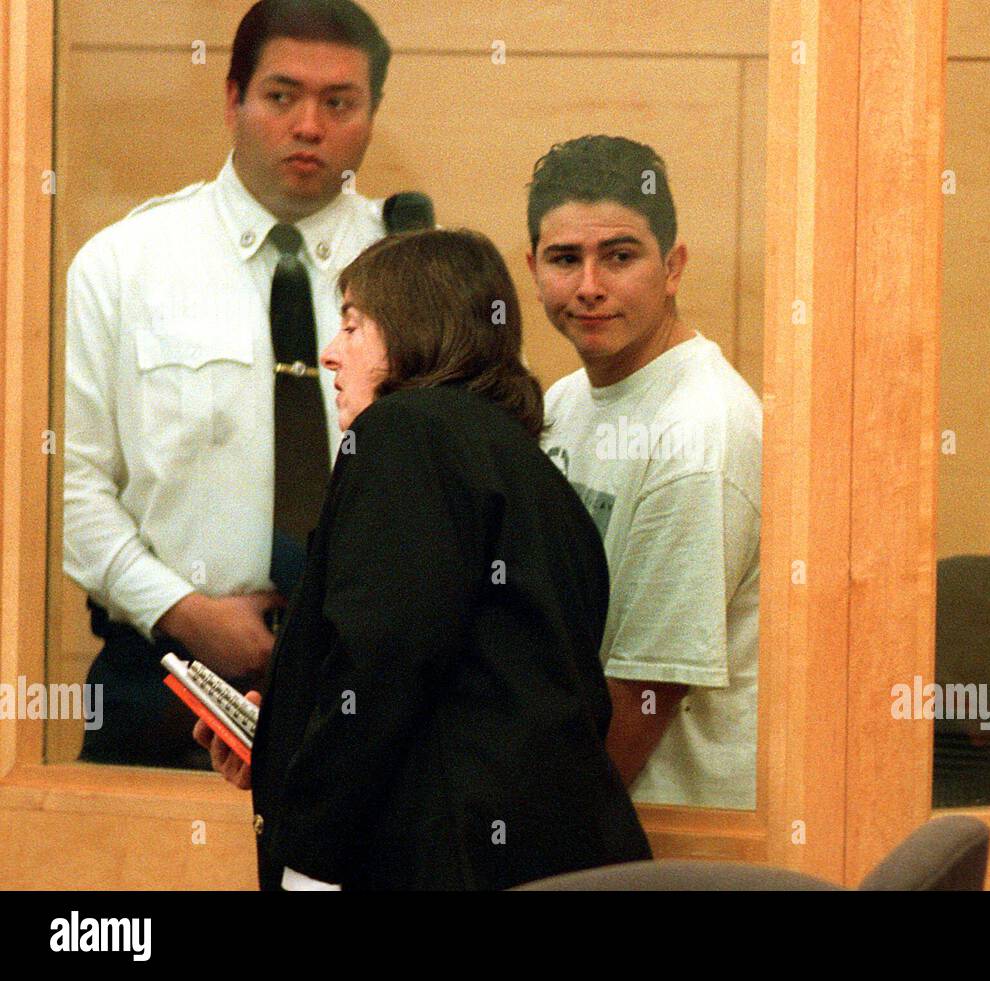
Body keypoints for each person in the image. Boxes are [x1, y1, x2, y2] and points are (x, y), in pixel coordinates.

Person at [200, 228, 652, 890]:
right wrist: (284, 747)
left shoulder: (404, 431)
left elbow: (380, 661)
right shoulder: (534, 474)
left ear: (416, 328)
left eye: (352, 327)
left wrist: (311, 853)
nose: (329, 354)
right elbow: (458, 681)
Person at [63, 0, 403, 768]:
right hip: (162, 674)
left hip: (367, 680)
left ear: (373, 114)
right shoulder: (123, 265)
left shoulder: (411, 268)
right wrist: (183, 611)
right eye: (282, 96)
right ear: (233, 99)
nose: (309, 126)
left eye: (339, 102)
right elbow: (70, 487)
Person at [525, 135, 762, 809]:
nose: (590, 287)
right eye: (565, 259)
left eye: (620, 256)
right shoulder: (565, 403)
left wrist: (534, 842)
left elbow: (642, 700)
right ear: (533, 266)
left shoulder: (700, 431)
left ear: (673, 265)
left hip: (679, 836)